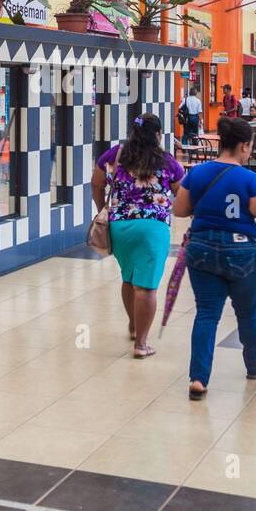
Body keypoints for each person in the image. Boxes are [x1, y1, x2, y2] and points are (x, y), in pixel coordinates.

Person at [173, 116, 256, 400]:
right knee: (247, 312)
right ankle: (255, 366)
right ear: (244, 146)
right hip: (242, 251)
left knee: (207, 314)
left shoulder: (197, 173)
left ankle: (198, 378)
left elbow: (180, 210)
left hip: (202, 248)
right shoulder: (250, 180)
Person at [93, 113, 185, 358]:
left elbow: (96, 183)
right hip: (153, 228)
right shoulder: (167, 161)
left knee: (129, 278)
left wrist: (103, 208)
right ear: (157, 135)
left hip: (120, 226)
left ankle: (134, 326)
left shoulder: (116, 154)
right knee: (146, 287)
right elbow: (182, 194)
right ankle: (141, 344)